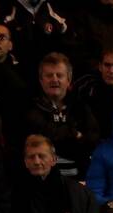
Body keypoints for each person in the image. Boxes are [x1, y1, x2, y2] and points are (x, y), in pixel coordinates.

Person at [11, 135, 100, 213]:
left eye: (41, 156)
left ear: (54, 159)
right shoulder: (16, 192)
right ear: (25, 162)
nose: (37, 162)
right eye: (31, 157)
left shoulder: (78, 192)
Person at [21, 53, 100, 181]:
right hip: (40, 179)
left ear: (68, 80)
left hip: (79, 178)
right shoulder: (29, 108)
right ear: (41, 80)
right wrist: (76, 135)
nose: (54, 79)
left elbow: (92, 141)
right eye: (49, 75)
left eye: (59, 75)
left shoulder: (81, 107)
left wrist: (60, 138)